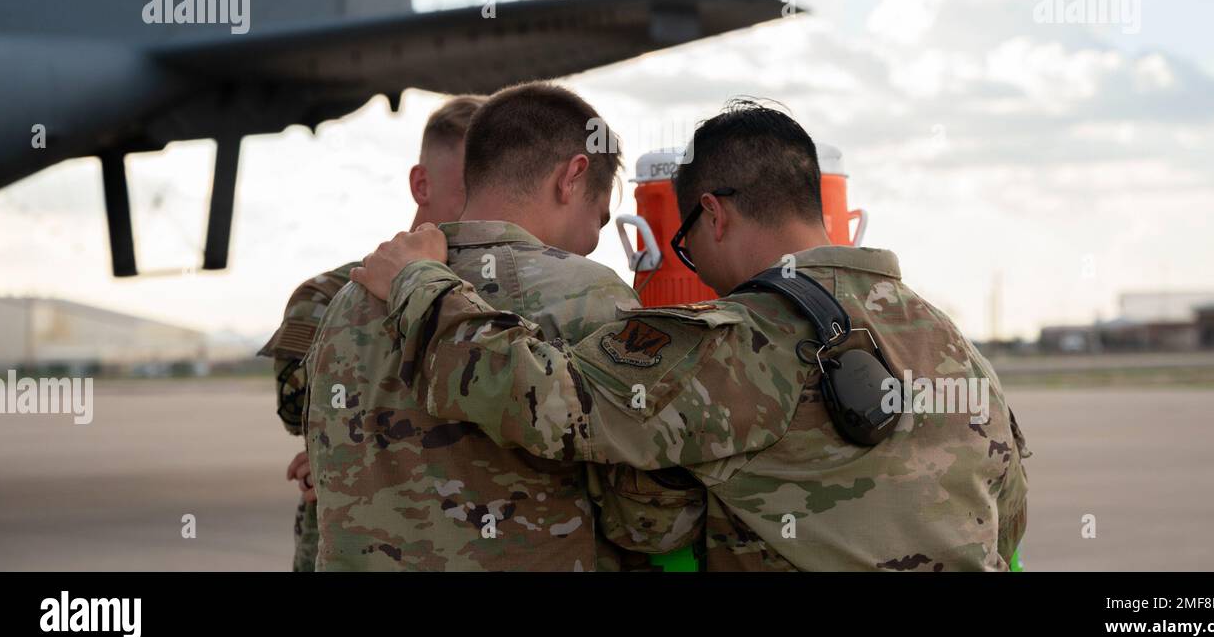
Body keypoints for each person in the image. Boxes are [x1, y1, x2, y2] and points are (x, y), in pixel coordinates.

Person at [354, 100, 1031, 571]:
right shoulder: (948, 341)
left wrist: (421, 284)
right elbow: (1007, 517)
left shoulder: (730, 345)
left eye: (684, 240)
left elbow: (542, 399)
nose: (692, 264)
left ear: (714, 215)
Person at [303, 81, 704, 571]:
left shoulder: (352, 298)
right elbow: (648, 523)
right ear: (572, 177)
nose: (592, 244)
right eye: (597, 221)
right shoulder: (586, 294)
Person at [258, 94, 482, 572]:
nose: (484, 205)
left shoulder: (507, 295)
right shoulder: (329, 295)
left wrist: (354, 452)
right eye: (469, 187)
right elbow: (298, 411)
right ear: (421, 183)